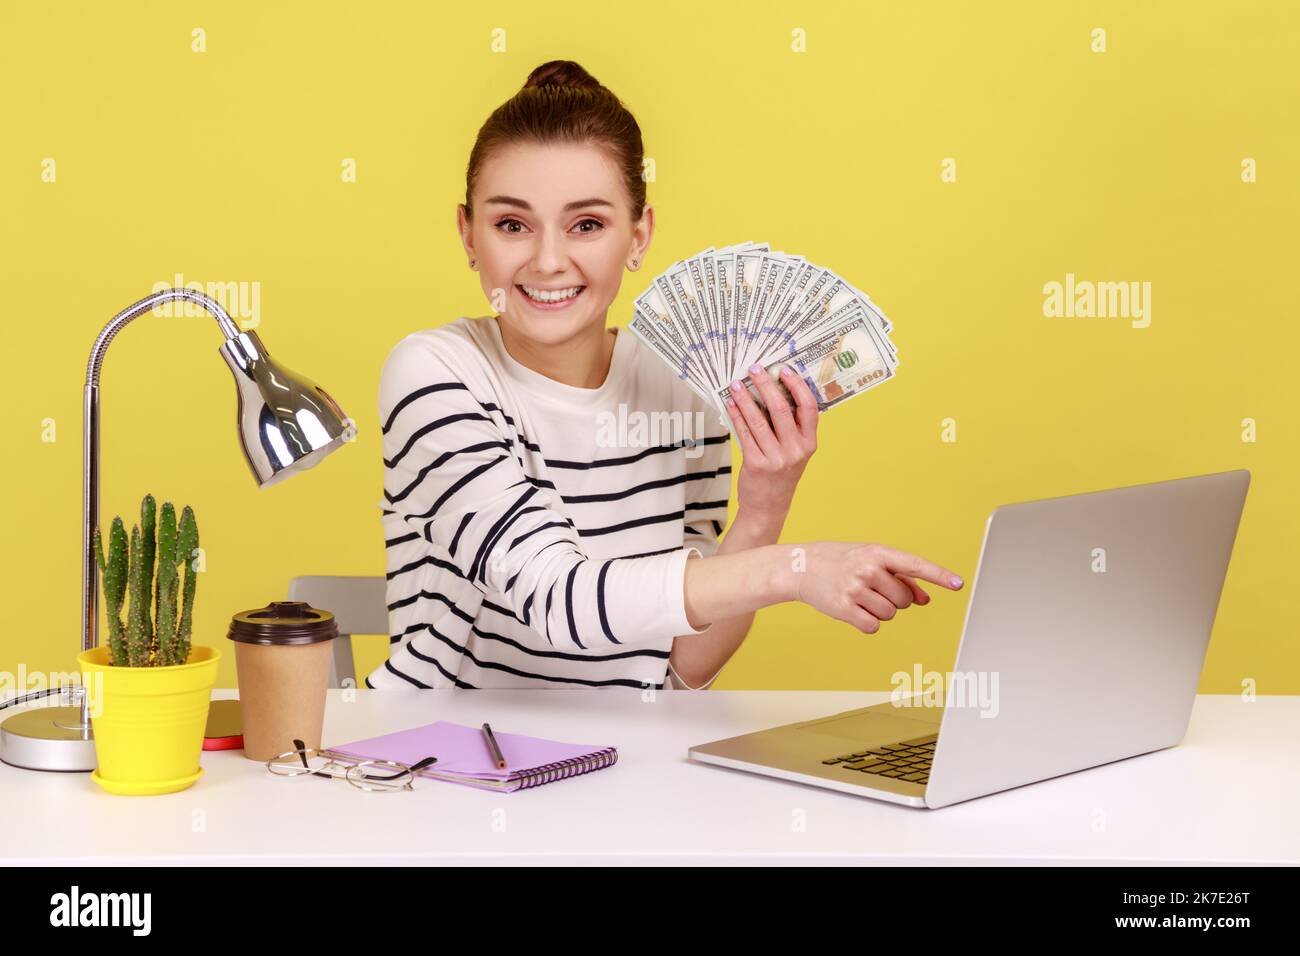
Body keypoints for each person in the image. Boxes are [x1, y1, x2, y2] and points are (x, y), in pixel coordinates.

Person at [369, 59, 962, 691]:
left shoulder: (683, 386)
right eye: (512, 224)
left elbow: (679, 669)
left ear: (638, 236)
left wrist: (764, 510)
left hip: (619, 767)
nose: (547, 260)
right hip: (446, 765)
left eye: (587, 224)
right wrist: (793, 568)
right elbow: (556, 601)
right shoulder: (432, 373)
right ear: (468, 234)